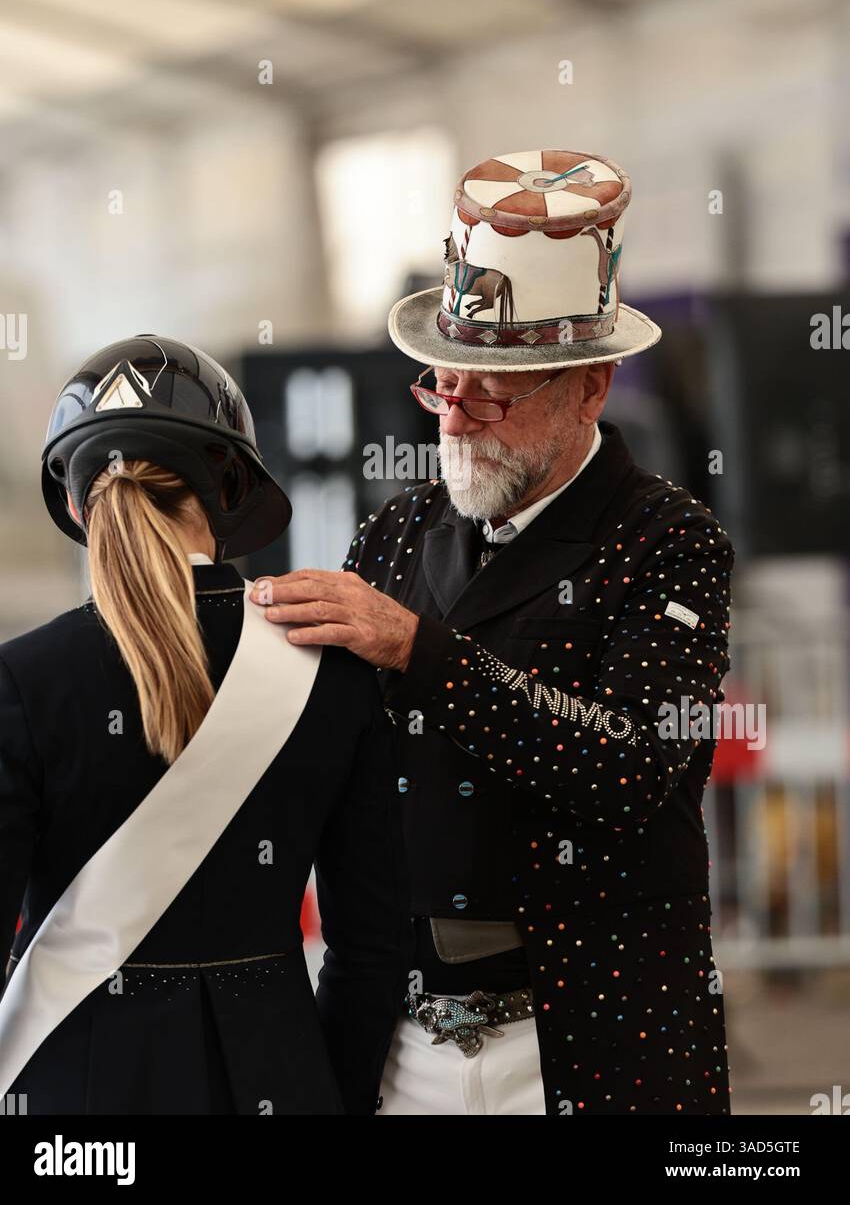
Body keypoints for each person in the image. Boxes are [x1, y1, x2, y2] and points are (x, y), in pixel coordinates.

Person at [251, 149, 735, 1116]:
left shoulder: (671, 542)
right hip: (395, 1035)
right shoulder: (393, 533)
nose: (456, 418)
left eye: (493, 394)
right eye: (440, 384)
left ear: (590, 388)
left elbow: (631, 765)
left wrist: (417, 651)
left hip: (589, 1035)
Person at [0, 333, 411, 1115]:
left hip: (75, 1113)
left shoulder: (17, 682)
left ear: (77, 506)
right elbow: (375, 950)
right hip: (275, 1086)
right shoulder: (336, 673)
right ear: (231, 489)